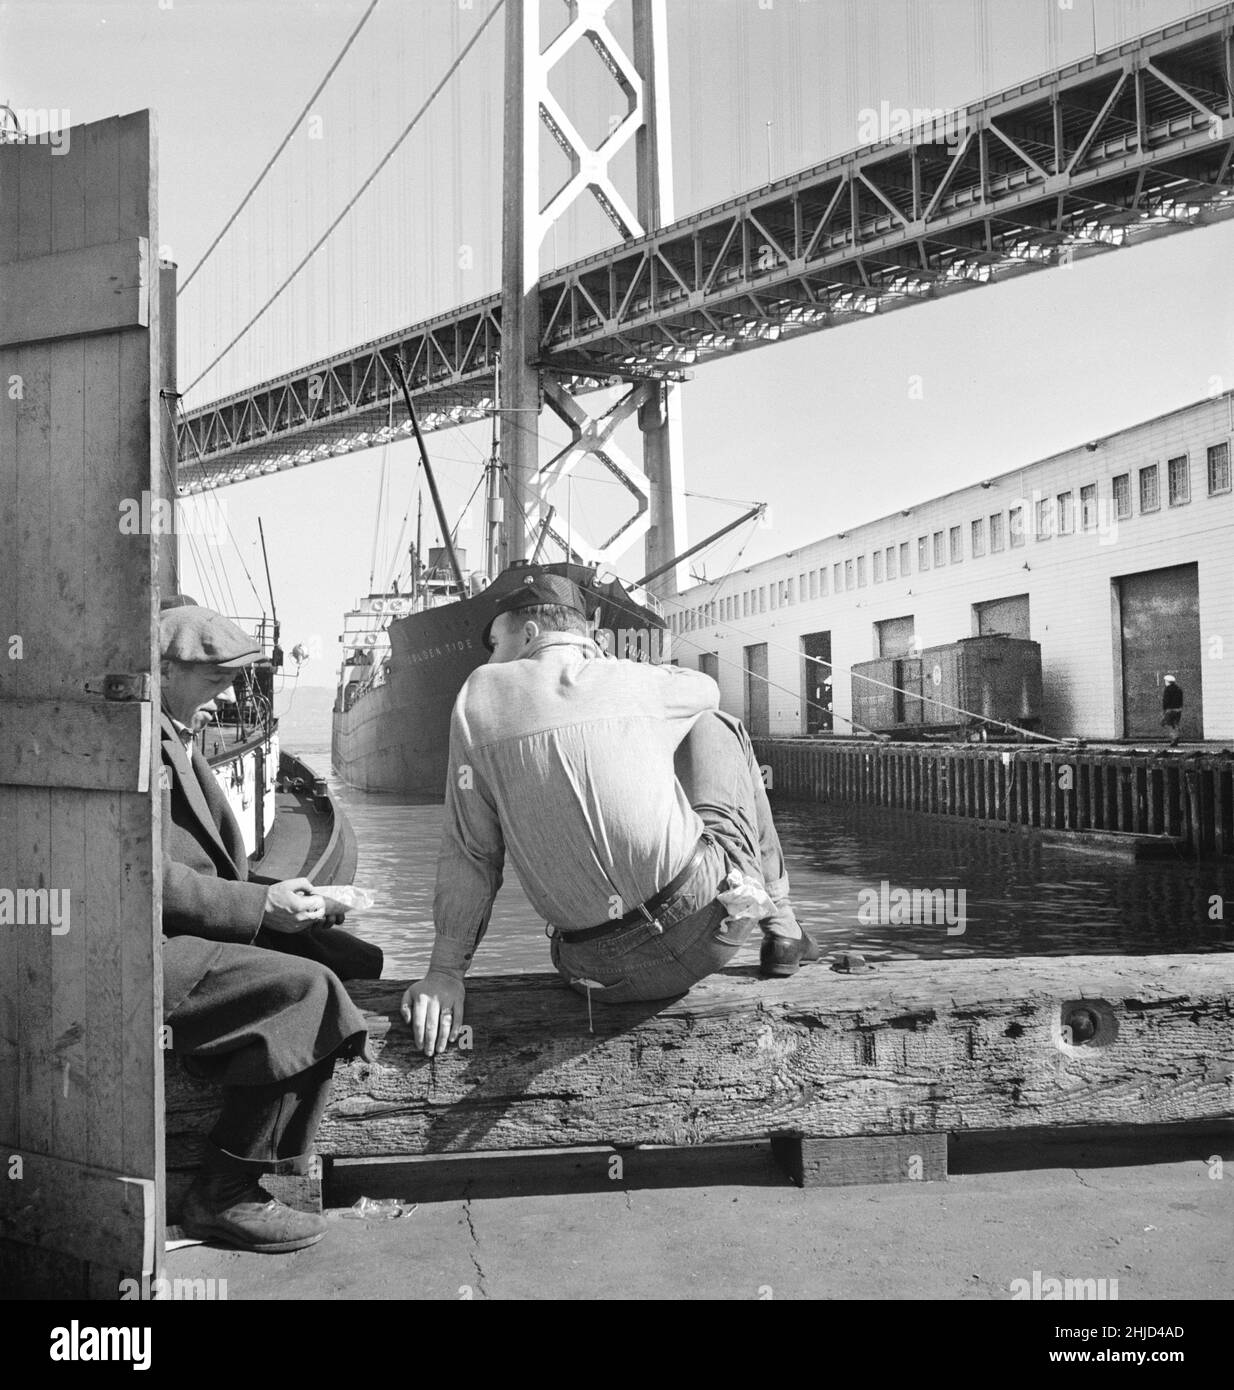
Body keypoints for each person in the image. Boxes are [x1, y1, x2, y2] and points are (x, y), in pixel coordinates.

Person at [403, 572, 819, 1057]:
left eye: (494, 644)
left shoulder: (477, 697)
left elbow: (471, 852)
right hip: (712, 932)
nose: (490, 658)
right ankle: (783, 927)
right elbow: (707, 690)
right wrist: (611, 672)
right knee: (715, 727)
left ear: (530, 635)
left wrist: (445, 973)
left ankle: (777, 923)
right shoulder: (632, 680)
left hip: (592, 974)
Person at [159, 601, 379, 1252]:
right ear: (165, 669)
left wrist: (283, 898)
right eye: (211, 680)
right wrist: (259, 909)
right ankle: (224, 1193)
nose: (222, 695)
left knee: (351, 958)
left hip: (185, 926)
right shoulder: (139, 745)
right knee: (305, 990)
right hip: (152, 950)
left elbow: (202, 864)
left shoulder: (172, 730)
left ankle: (281, 1157)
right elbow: (141, 875)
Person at [1161, 673, 1184, 746]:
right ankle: (1176, 735)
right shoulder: (1179, 689)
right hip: (1178, 710)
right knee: (1176, 723)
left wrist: (1164, 709)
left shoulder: (1167, 689)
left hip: (1170, 710)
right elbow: (1181, 700)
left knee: (1168, 724)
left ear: (1167, 681)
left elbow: (1166, 700)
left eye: (1165, 681)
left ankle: (1174, 737)